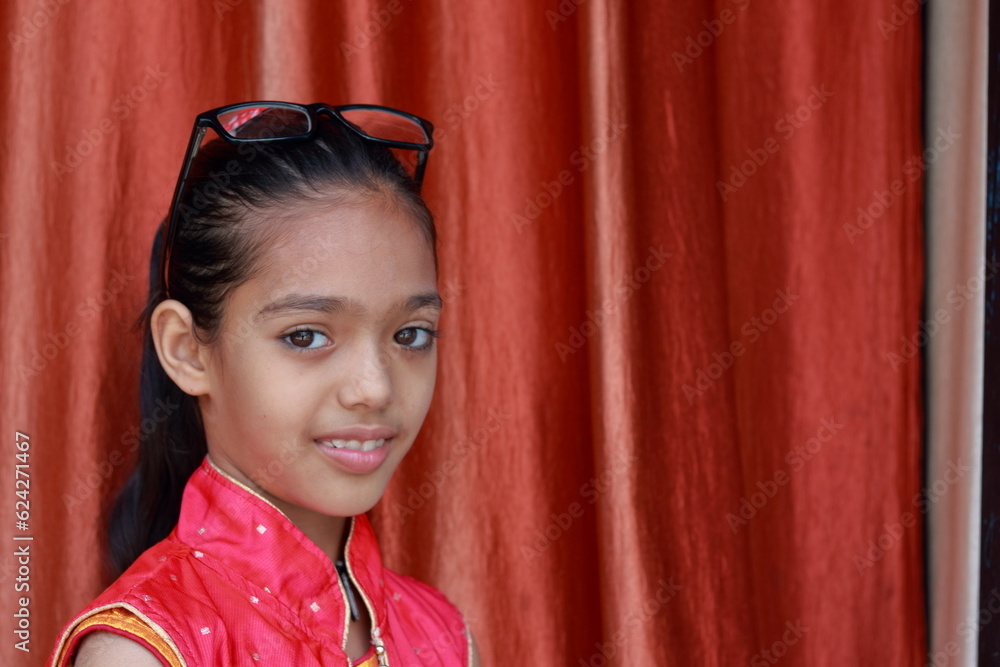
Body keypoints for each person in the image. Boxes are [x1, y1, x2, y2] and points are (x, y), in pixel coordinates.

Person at [47, 102, 480, 666]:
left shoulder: (442, 633)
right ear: (187, 349)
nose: (375, 389)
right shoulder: (142, 651)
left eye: (411, 334)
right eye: (306, 336)